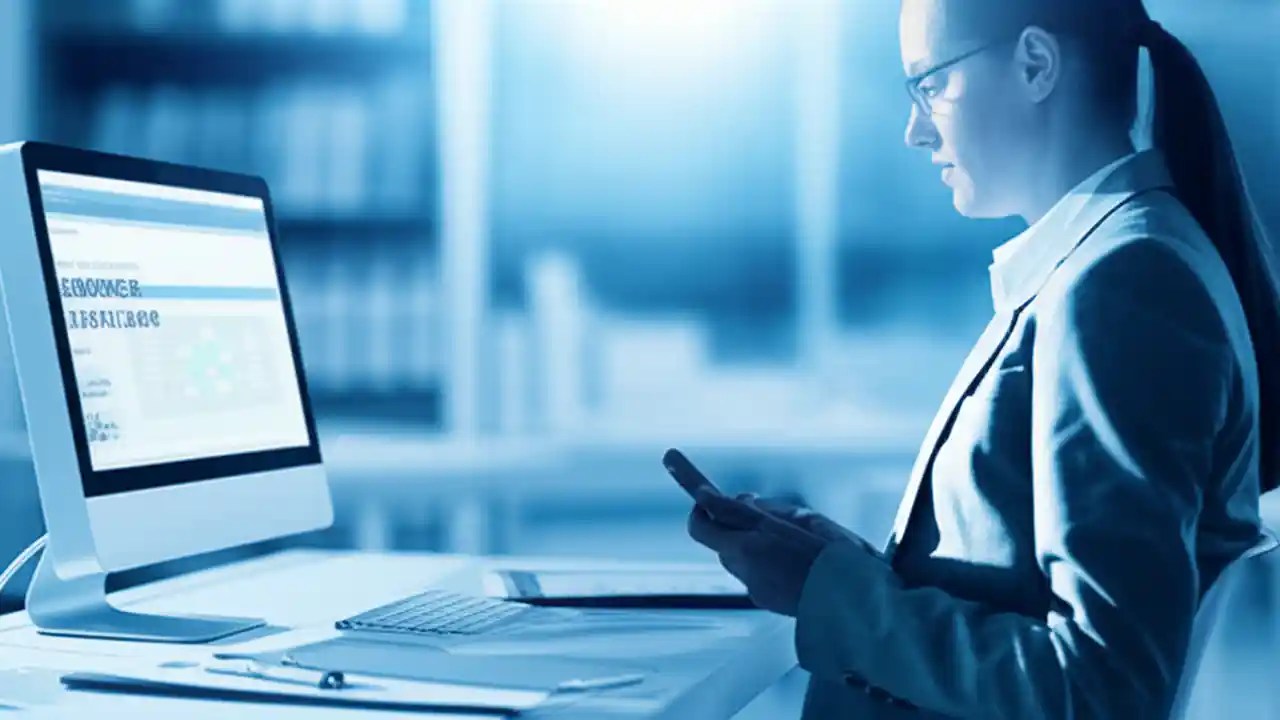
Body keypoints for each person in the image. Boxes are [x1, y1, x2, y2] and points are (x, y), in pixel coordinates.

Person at [686, 0, 1280, 718]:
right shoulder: (1101, 267)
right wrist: (850, 569)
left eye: (929, 84)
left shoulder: (1124, 285)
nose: (914, 129)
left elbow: (1102, 690)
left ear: (1036, 64)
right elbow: (1021, 594)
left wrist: (831, 594)